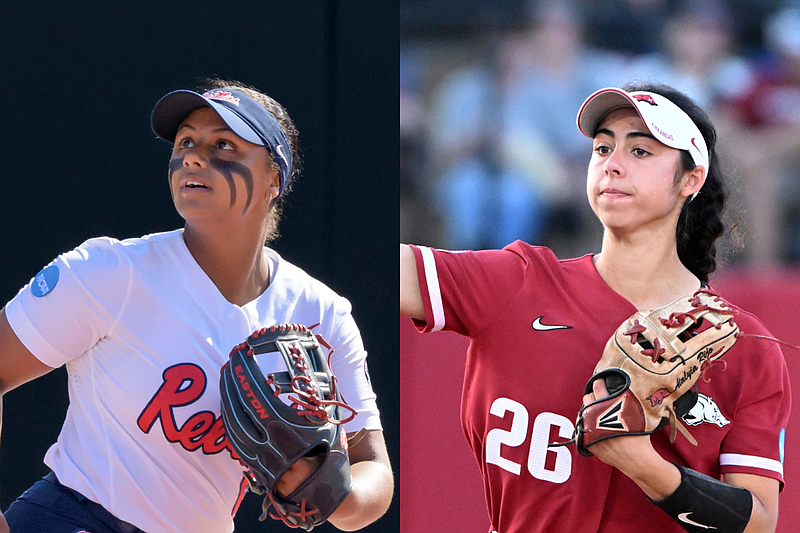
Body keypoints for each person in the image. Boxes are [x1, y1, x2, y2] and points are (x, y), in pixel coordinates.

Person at [0, 80, 393, 533]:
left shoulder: (320, 313)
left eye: (223, 144)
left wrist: (326, 489)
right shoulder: (111, 272)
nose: (192, 155)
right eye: (186, 141)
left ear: (274, 179)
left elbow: (374, 469)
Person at [400, 82, 790, 532]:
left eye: (641, 152)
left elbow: (760, 523)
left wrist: (643, 464)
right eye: (603, 148)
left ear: (691, 179)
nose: (613, 164)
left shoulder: (743, 345)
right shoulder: (517, 281)